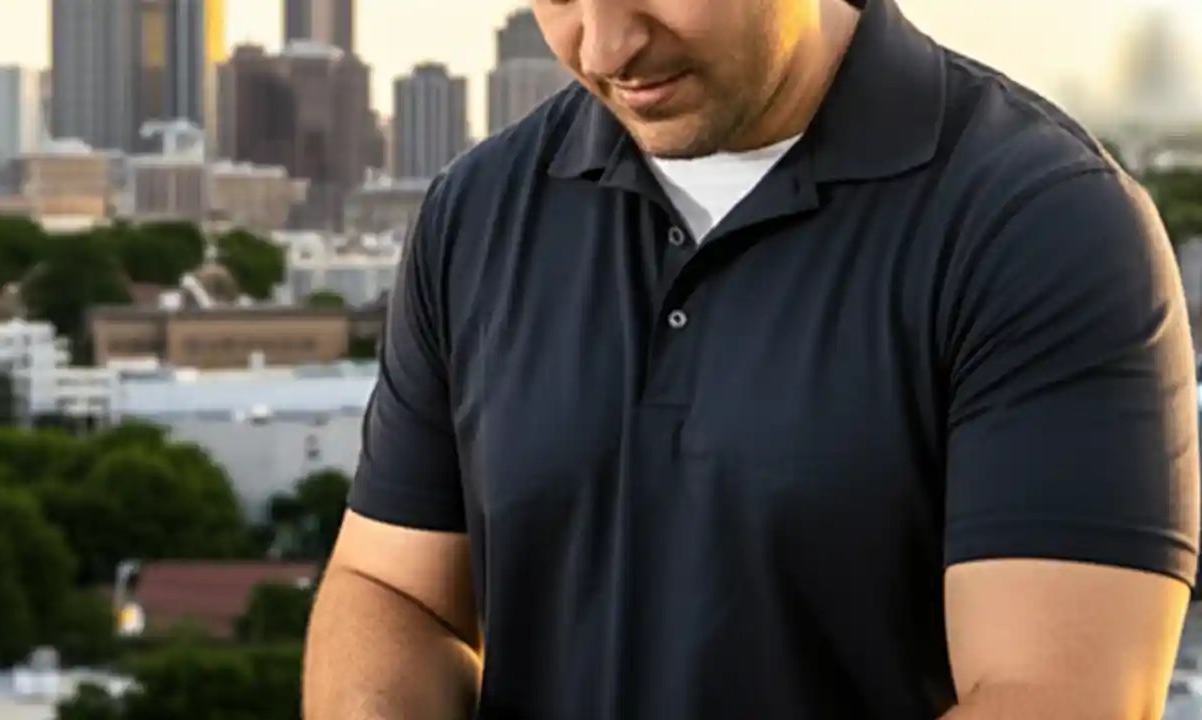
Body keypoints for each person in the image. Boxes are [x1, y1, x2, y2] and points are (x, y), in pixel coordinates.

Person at [304, 0, 1200, 717]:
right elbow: (394, 590)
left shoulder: (1044, 224)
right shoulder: (477, 210)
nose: (607, 44)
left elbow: (1059, 698)